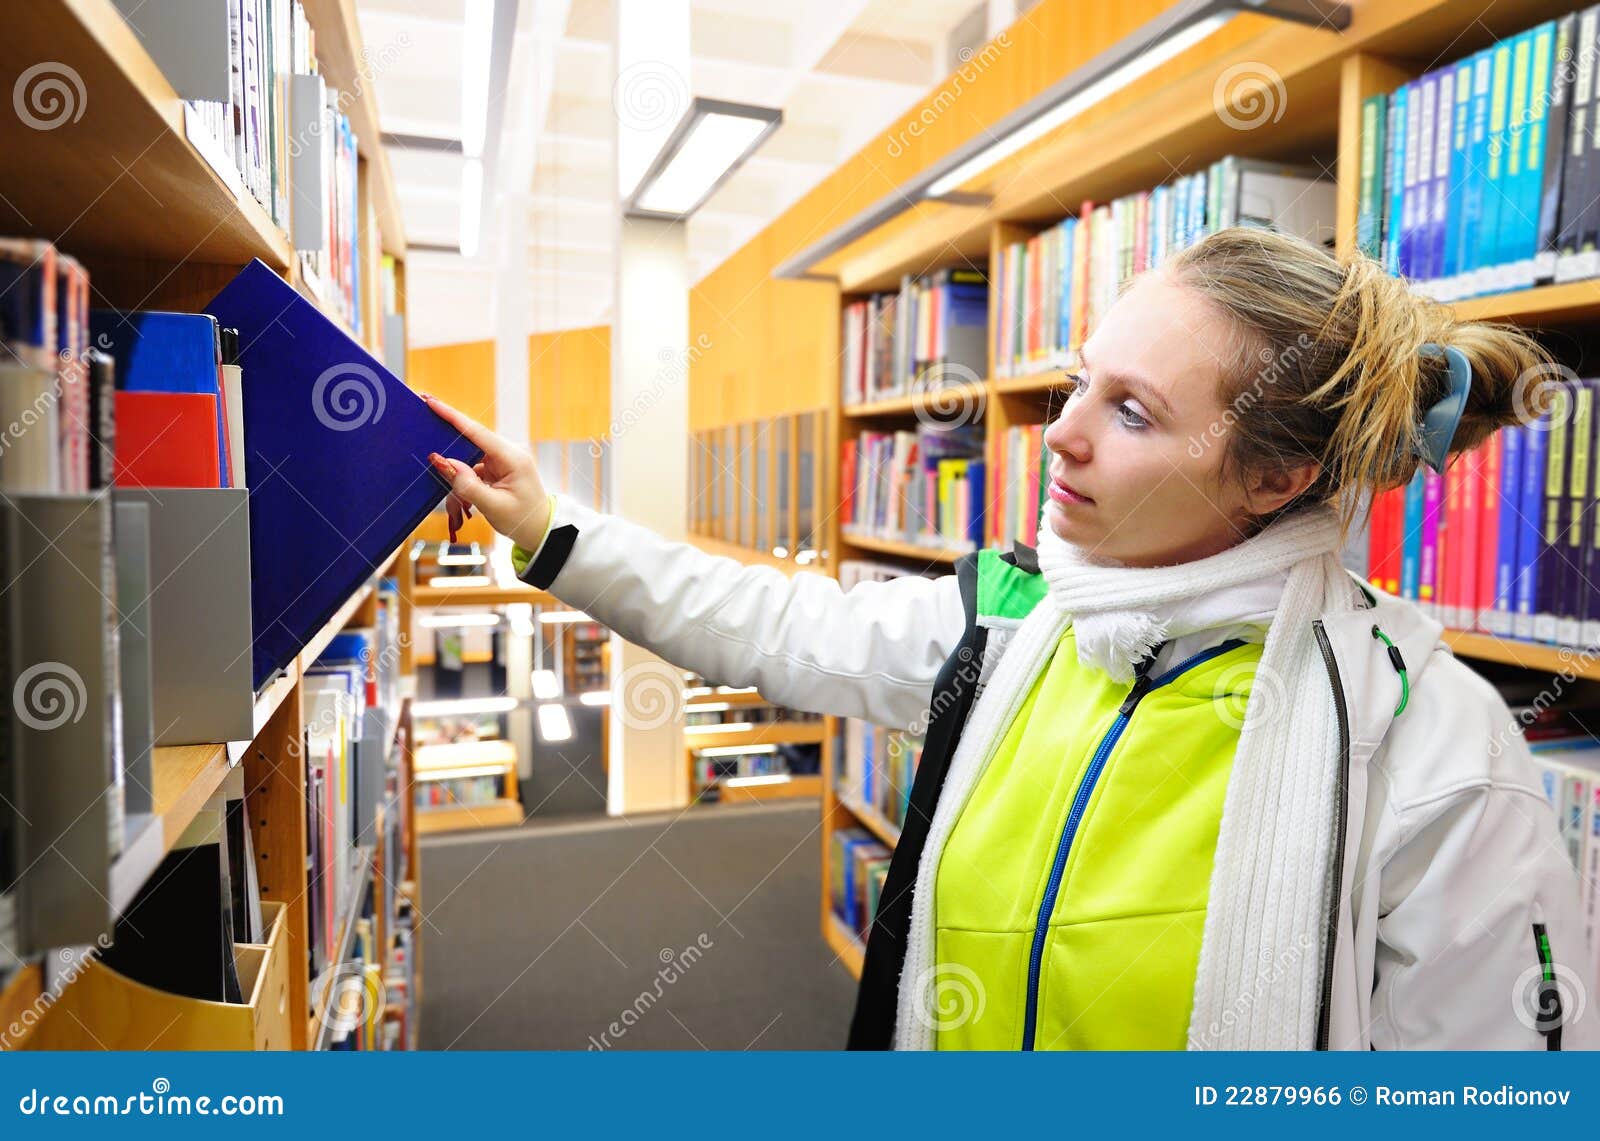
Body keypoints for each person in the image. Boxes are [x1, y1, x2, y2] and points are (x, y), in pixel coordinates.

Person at [424, 226, 1595, 1051]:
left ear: (1276, 474)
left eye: (1130, 410)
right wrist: (552, 524)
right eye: (1079, 382)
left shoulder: (1429, 752)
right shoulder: (1014, 618)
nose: (1058, 436)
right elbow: (778, 627)